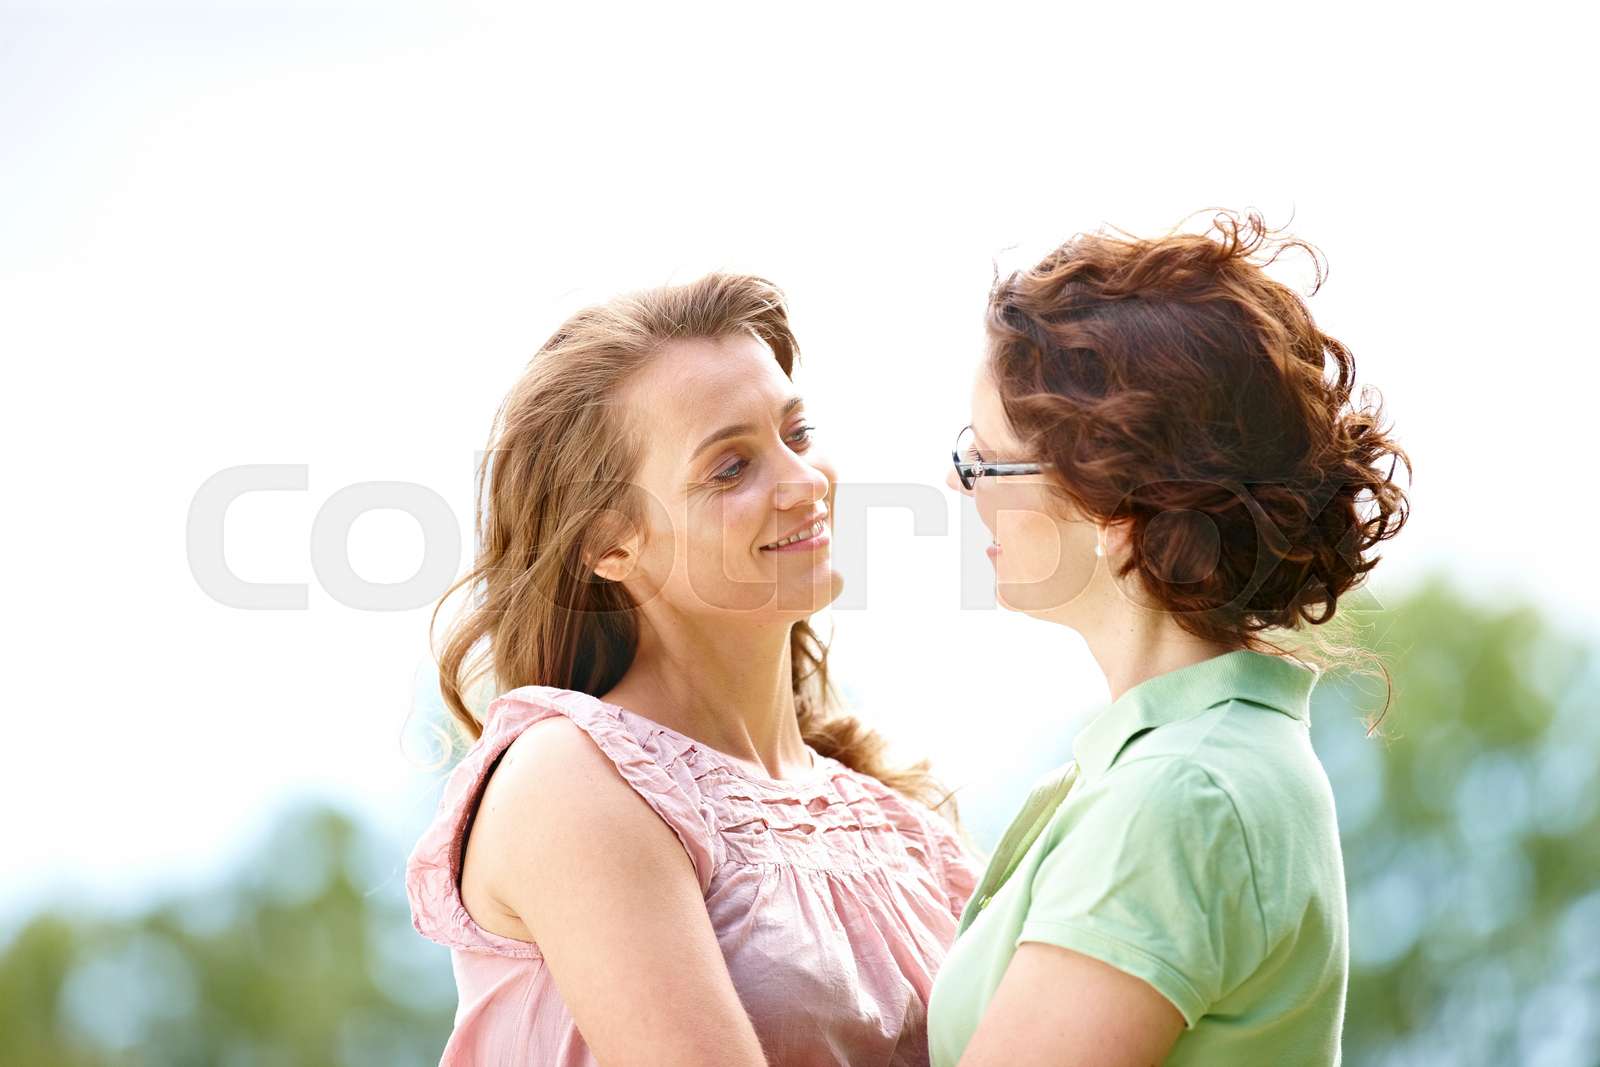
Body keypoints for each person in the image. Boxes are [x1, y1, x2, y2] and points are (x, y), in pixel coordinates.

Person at [405, 273, 977, 1066]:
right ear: (610, 543)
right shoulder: (572, 777)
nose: (805, 481)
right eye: (731, 467)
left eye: (797, 434)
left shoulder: (908, 828)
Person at [929, 212, 1410, 1066]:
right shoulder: (1209, 758)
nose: (964, 490)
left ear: (1119, 510)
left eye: (988, 462)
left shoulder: (1179, 797)